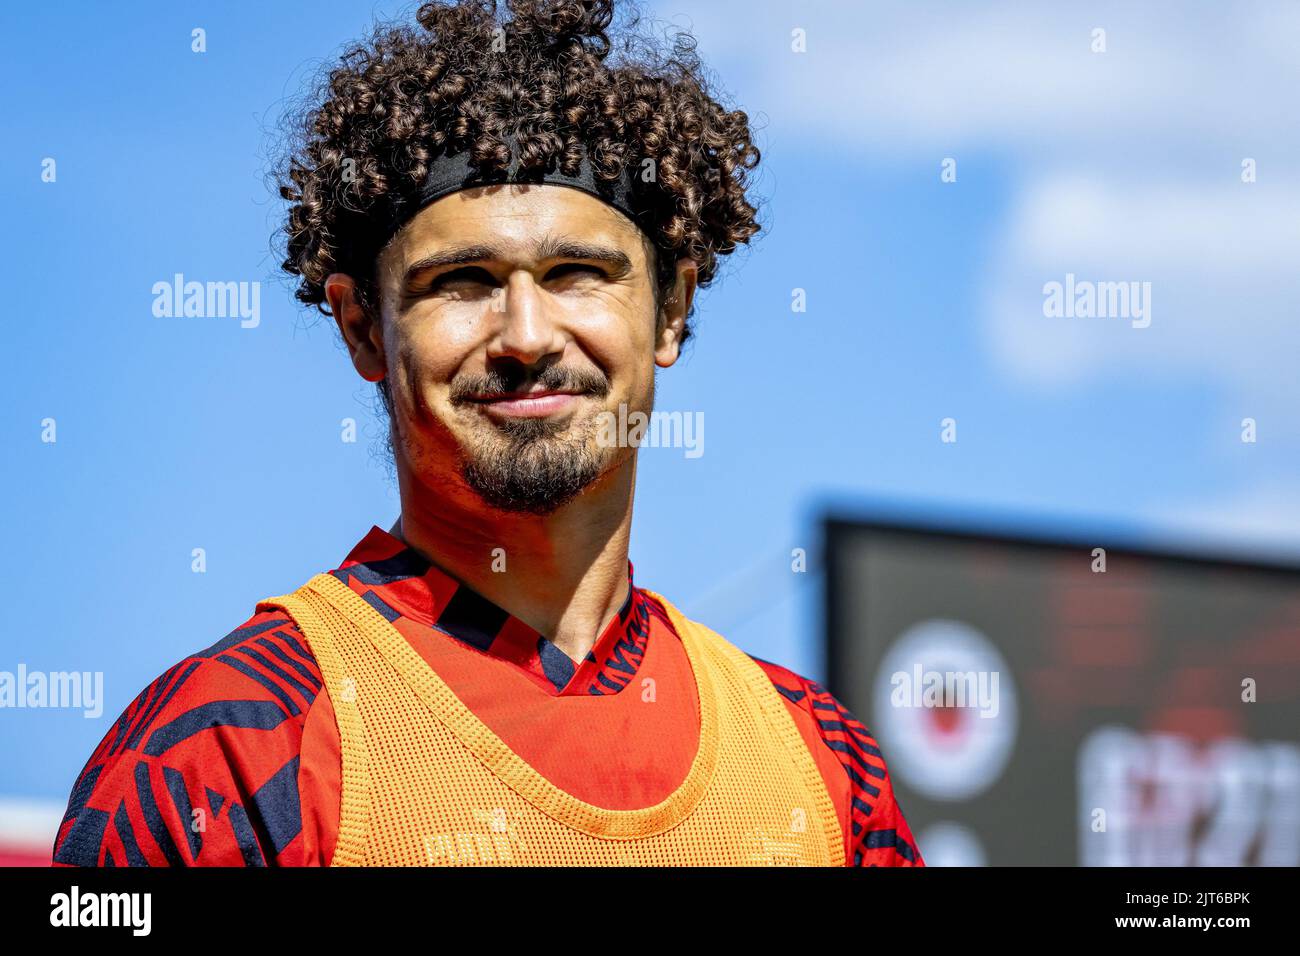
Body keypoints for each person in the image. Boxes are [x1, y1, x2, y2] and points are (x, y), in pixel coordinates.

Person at [52, 0, 922, 867]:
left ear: (671, 311)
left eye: (577, 273)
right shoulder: (230, 747)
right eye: (462, 281)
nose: (527, 335)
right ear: (362, 330)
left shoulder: (820, 764)